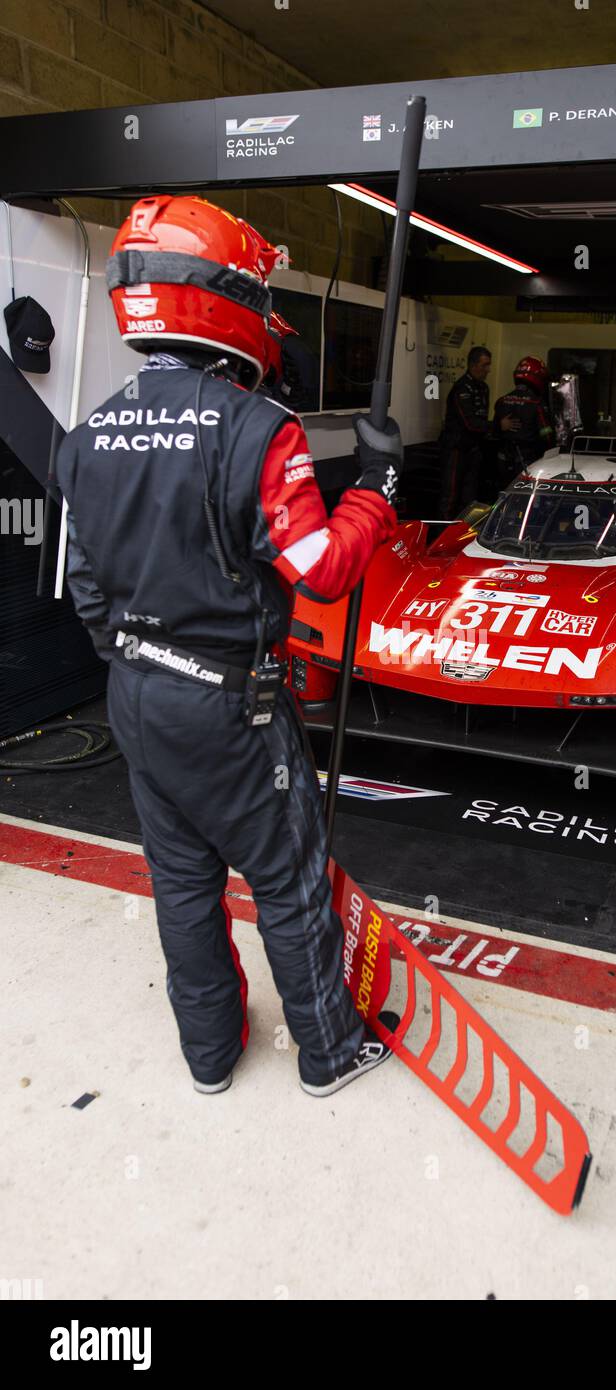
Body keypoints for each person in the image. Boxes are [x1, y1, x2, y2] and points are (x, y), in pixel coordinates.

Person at [55, 194, 401, 1097]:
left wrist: (142, 660)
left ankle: (209, 1057)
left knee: (181, 884)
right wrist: (377, 485)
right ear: (225, 298)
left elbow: (85, 585)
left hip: (134, 698)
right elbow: (323, 568)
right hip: (229, 707)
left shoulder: (86, 435)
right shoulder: (258, 428)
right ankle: (328, 1052)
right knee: (288, 879)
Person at [437, 344, 491, 518]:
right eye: (485, 365)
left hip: (474, 449)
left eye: (489, 365)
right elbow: (471, 423)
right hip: (456, 450)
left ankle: (464, 537)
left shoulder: (484, 388)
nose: (488, 370)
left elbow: (481, 421)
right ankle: (441, 540)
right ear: (473, 365)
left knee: (469, 499)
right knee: (450, 496)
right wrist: (497, 426)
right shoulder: (461, 388)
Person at [492, 355, 555, 487]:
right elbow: (547, 436)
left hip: (502, 459)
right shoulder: (537, 403)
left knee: (504, 491)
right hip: (527, 460)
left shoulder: (501, 401)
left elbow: (494, 430)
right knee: (524, 494)